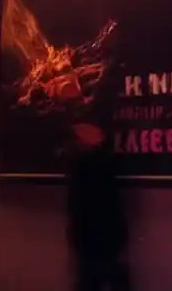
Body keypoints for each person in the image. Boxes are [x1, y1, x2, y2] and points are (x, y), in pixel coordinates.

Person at [66, 122, 131, 291]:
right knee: (109, 275)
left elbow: (80, 204)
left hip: (92, 234)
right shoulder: (105, 163)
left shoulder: (83, 166)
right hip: (107, 234)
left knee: (90, 279)